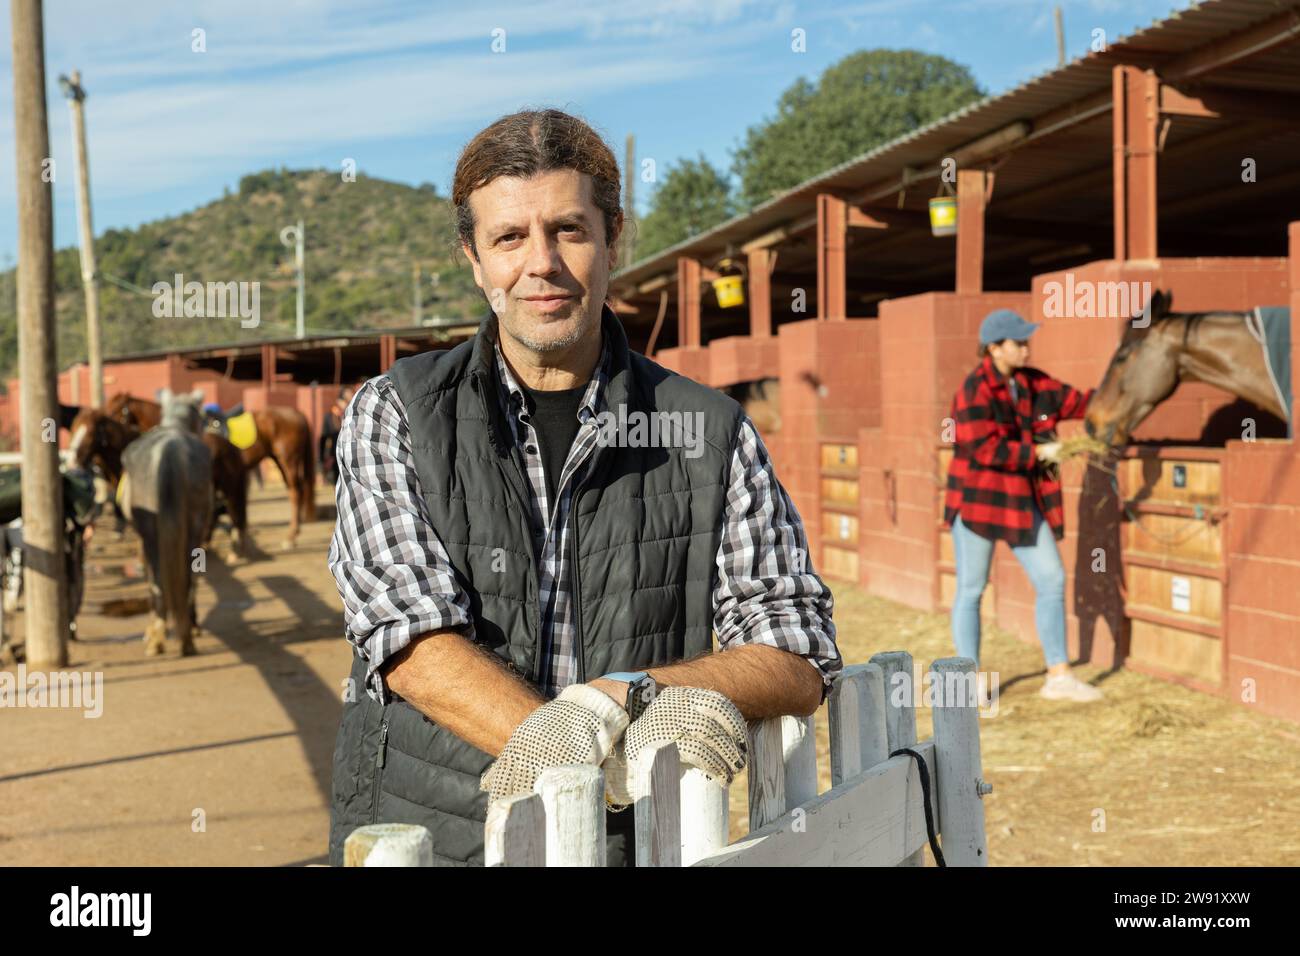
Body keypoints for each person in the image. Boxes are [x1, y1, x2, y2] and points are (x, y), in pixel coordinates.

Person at [325, 108, 840, 866]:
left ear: (612, 239)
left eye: (568, 229)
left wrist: (620, 698)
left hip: (635, 844)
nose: (542, 263)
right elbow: (409, 639)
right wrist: (578, 752)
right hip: (439, 840)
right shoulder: (396, 412)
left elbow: (796, 646)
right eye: (509, 238)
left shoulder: (710, 430)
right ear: (473, 257)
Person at [943, 308, 1102, 703]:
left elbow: (1081, 402)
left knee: (1051, 579)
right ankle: (970, 679)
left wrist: (1121, 392)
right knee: (972, 590)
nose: (1027, 349)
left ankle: (1059, 675)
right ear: (995, 348)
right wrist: (1042, 451)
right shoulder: (972, 389)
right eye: (1019, 343)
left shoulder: (1036, 384)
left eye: (1027, 341)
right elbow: (984, 446)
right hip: (978, 503)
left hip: (1021, 503)